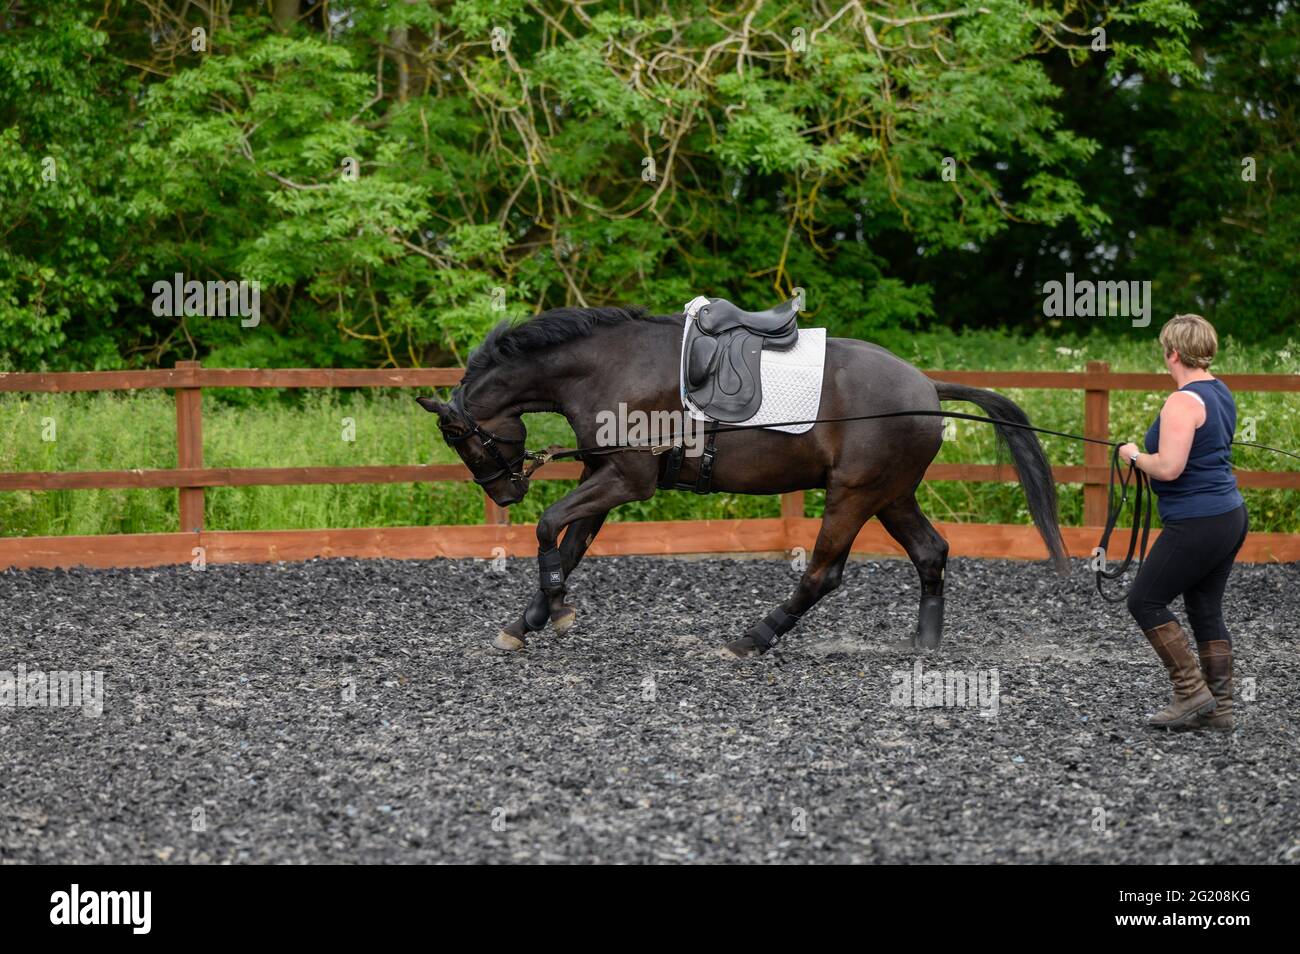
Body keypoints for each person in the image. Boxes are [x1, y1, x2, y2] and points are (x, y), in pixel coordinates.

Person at [1117, 314, 1248, 730]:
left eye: (1164, 350)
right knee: (1205, 606)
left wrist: (1133, 455)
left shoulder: (1181, 400)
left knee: (1145, 600)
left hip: (1198, 520)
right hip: (1228, 516)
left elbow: (1170, 467)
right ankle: (1220, 707)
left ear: (1172, 352)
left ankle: (1191, 693)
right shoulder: (1219, 391)